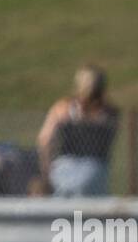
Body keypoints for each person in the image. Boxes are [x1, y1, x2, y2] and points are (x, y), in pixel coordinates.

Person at [36, 65, 119, 196]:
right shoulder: (108, 113)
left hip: (62, 171)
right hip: (95, 170)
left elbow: (44, 139)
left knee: (61, 212)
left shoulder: (63, 108)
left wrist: (46, 171)